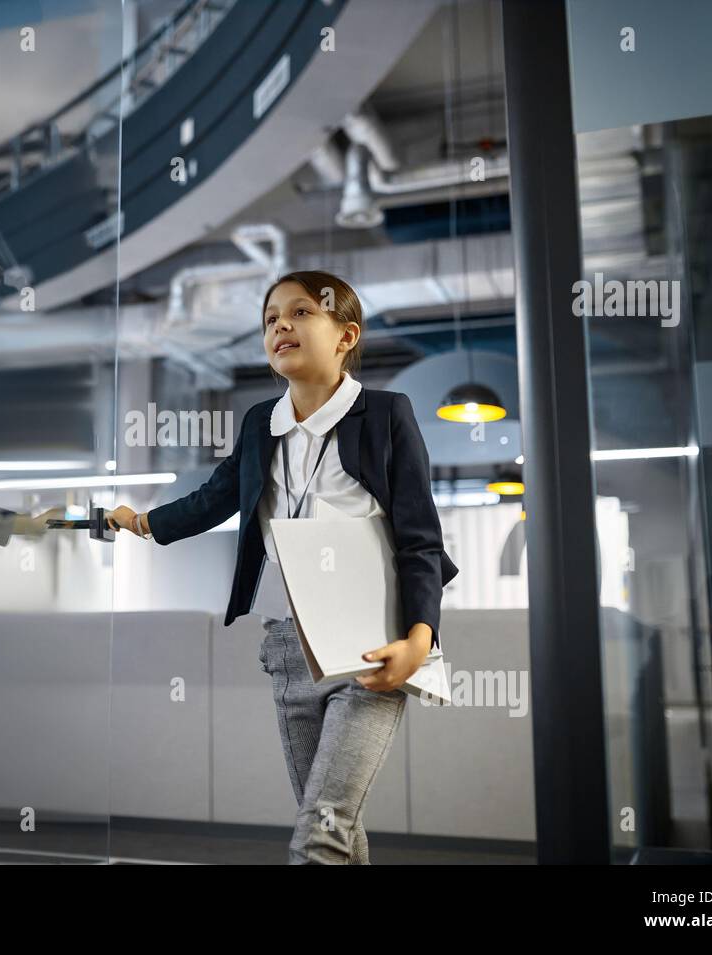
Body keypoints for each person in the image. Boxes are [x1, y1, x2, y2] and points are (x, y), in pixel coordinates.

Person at [107, 269, 458, 864]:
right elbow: (215, 497)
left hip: (368, 647)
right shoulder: (259, 425)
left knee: (321, 832)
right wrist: (143, 522)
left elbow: (420, 540)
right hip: (287, 647)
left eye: (300, 313)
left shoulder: (386, 415)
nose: (281, 326)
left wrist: (420, 640)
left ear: (346, 336)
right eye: (271, 319)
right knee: (335, 826)